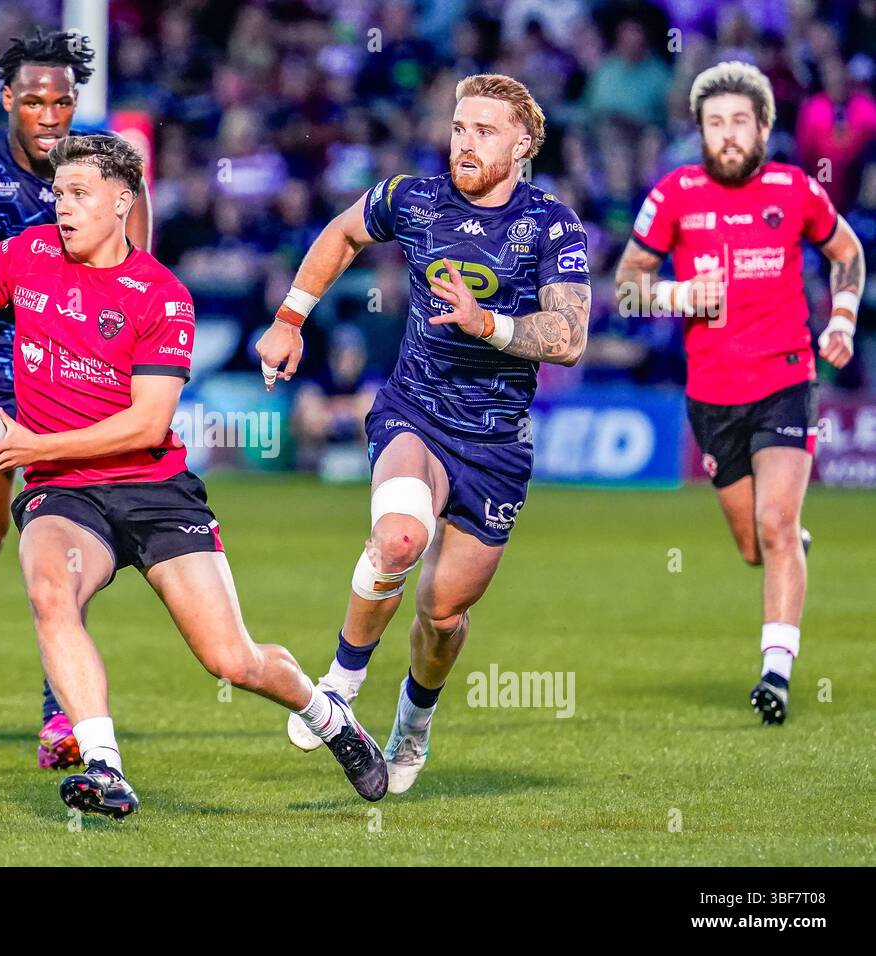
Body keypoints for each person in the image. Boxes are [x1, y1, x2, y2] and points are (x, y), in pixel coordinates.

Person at [0, 134, 387, 817]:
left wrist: (26, 441)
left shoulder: (161, 296)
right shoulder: (27, 254)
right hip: (62, 489)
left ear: (121, 200)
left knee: (232, 660)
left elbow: (145, 424)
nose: (63, 207)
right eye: (57, 194)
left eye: (79, 195)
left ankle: (328, 716)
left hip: (155, 489)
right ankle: (102, 765)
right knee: (51, 593)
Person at [257, 74, 591, 794]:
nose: (466, 143)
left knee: (443, 618)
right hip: (416, 409)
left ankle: (414, 722)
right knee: (400, 538)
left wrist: (487, 324)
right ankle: (341, 684)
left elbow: (568, 336)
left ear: (525, 144)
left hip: (496, 443)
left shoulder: (551, 224)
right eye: (460, 127)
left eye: (486, 131)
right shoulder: (413, 197)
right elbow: (344, 231)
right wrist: (291, 318)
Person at [0, 29, 152, 770]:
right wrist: (19, 277)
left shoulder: (106, 166)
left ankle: (62, 716)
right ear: (9, 100)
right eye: (35, 101)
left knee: (63, 561)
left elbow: (137, 271)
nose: (50, 115)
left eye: (63, 101)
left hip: (72, 388)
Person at [614, 62, 864, 725]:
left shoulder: (796, 190)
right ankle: (788, 550)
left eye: (739, 123)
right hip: (711, 393)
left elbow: (847, 252)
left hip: (786, 377)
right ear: (700, 131)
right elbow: (627, 285)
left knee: (777, 525)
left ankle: (774, 675)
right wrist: (677, 294)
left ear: (763, 129)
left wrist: (841, 317)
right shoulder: (674, 195)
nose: (727, 135)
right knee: (756, 545)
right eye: (715, 124)